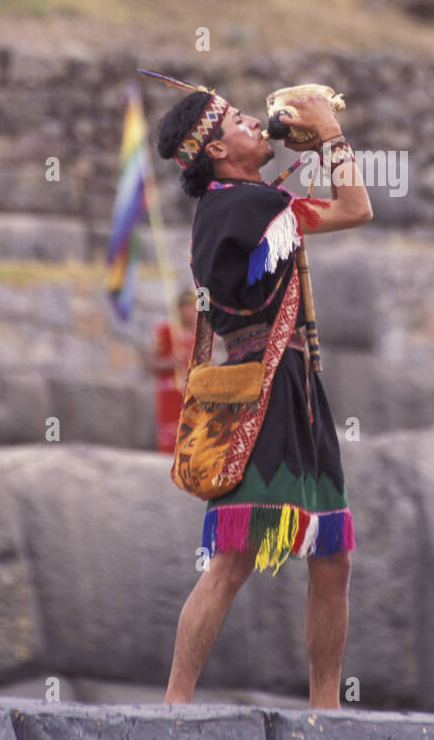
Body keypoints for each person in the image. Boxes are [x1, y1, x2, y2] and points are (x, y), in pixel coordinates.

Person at [156, 85, 372, 708]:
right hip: (262, 393)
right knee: (230, 561)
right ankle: (174, 705)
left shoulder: (257, 204)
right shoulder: (237, 208)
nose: (258, 122)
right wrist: (325, 134)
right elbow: (346, 208)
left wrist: (331, 136)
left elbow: (357, 209)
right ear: (218, 149)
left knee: (332, 558)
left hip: (297, 390)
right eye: (239, 120)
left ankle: (326, 710)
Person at [146, 288, 197, 456]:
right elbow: (151, 363)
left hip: (191, 396)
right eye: (185, 306)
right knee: (169, 443)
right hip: (169, 395)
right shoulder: (165, 331)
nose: (188, 311)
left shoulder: (200, 335)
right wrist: (171, 362)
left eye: (192, 306)